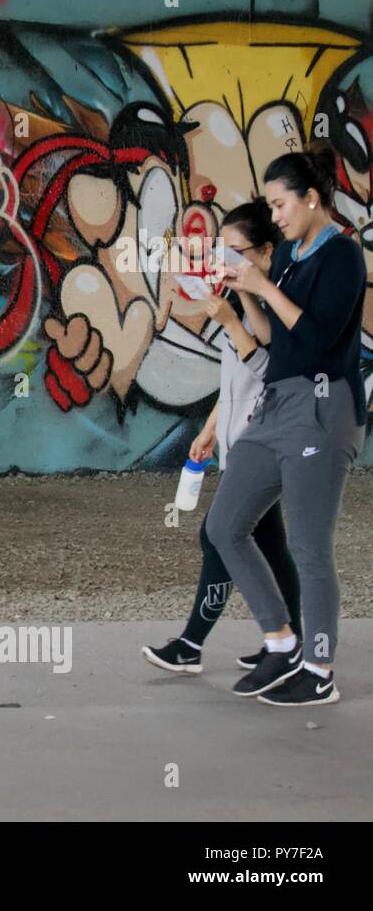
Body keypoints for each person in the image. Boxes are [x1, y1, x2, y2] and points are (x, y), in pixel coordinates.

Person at [207, 149, 369, 706]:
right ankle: (280, 641)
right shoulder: (291, 258)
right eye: (271, 206)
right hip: (276, 404)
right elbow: (276, 340)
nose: (274, 216)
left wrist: (266, 284)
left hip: (324, 407)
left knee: (307, 545)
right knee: (224, 524)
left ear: (311, 199)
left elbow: (321, 336)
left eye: (280, 204)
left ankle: (319, 669)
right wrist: (244, 294)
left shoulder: (343, 255)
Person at [142, 201, 302, 674]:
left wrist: (236, 319)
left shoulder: (277, 307)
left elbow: (272, 374)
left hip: (263, 446)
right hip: (239, 446)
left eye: (236, 251)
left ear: (266, 250)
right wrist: (209, 432)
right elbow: (234, 381)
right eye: (223, 251)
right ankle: (292, 642)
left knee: (218, 535)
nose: (226, 261)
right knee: (270, 545)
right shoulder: (244, 301)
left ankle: (192, 645)